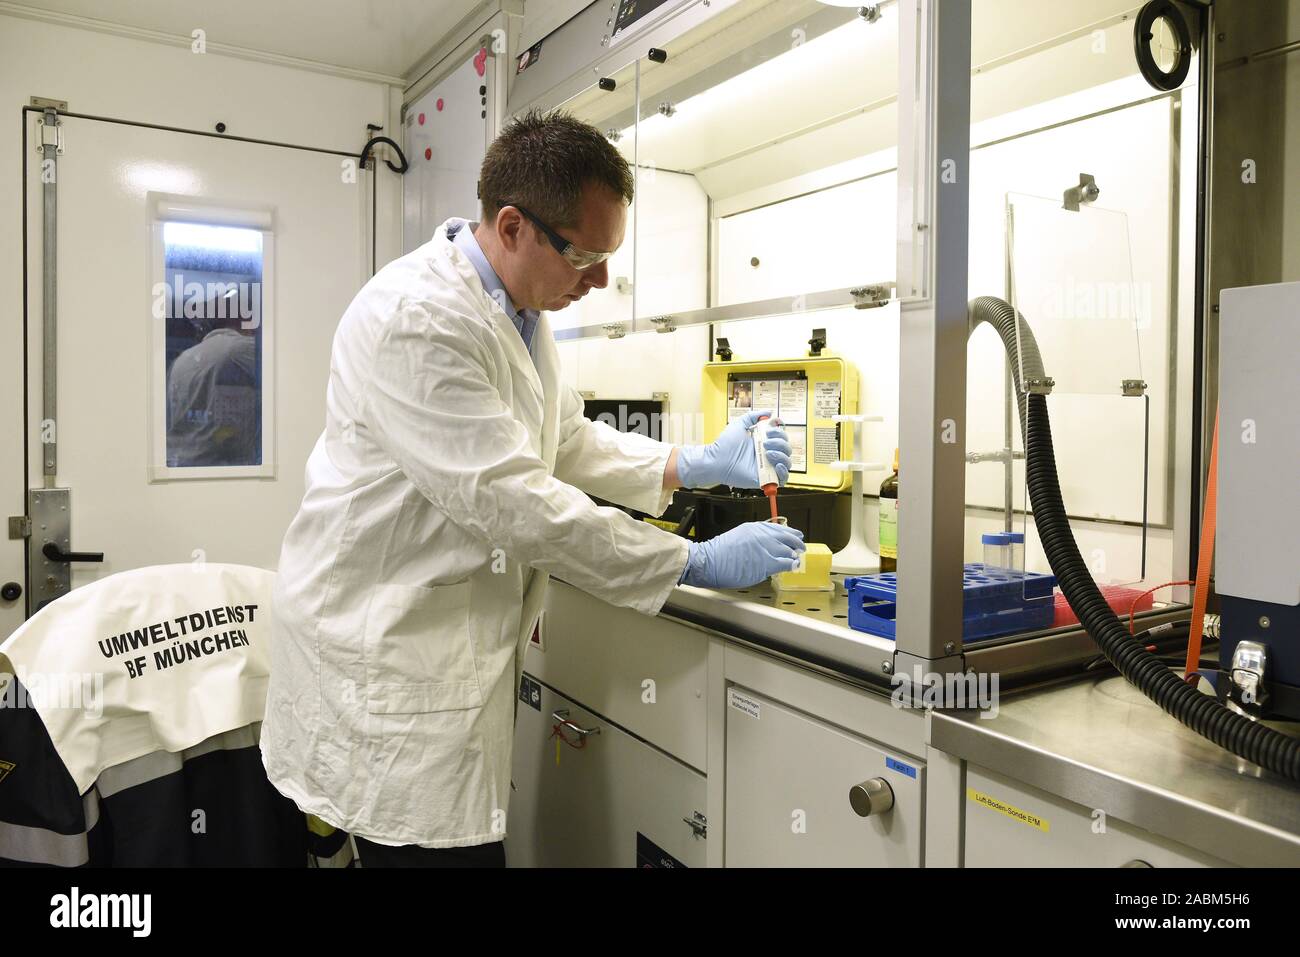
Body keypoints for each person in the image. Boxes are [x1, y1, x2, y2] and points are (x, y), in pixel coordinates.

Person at [261, 109, 804, 867]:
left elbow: (563, 436)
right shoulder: (418, 319)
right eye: (585, 253)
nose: (602, 279)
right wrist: (687, 561)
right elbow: (518, 503)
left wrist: (690, 462)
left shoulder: (514, 308)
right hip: (383, 659)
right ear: (512, 227)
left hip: (434, 646)